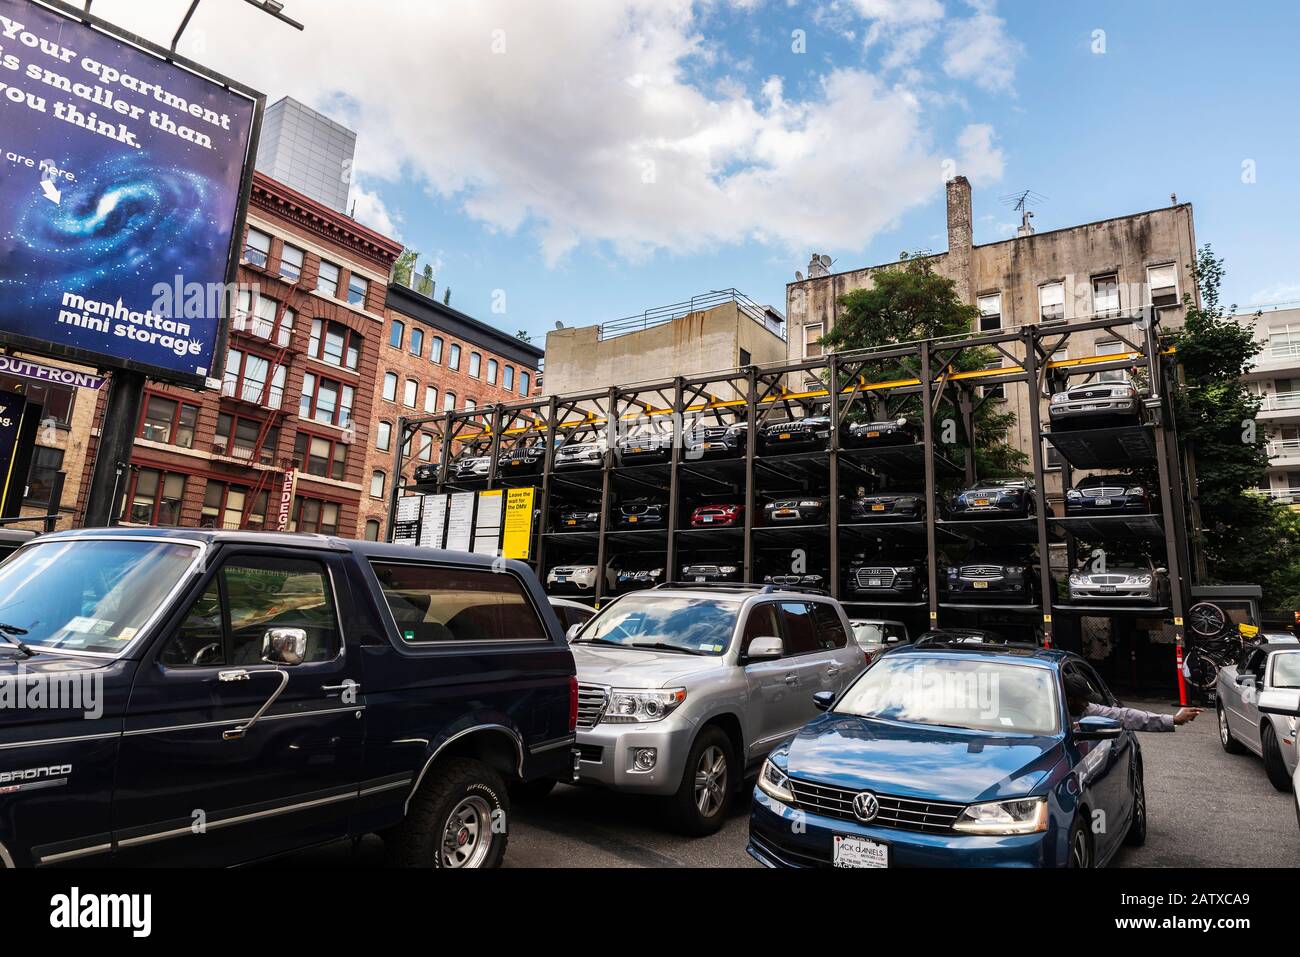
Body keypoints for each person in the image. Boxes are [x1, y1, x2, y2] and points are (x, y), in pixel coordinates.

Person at [1064, 674, 1201, 732]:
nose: (1087, 704)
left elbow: (1125, 716)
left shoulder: (1087, 711)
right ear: (1070, 701)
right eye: (1084, 700)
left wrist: (1173, 719)